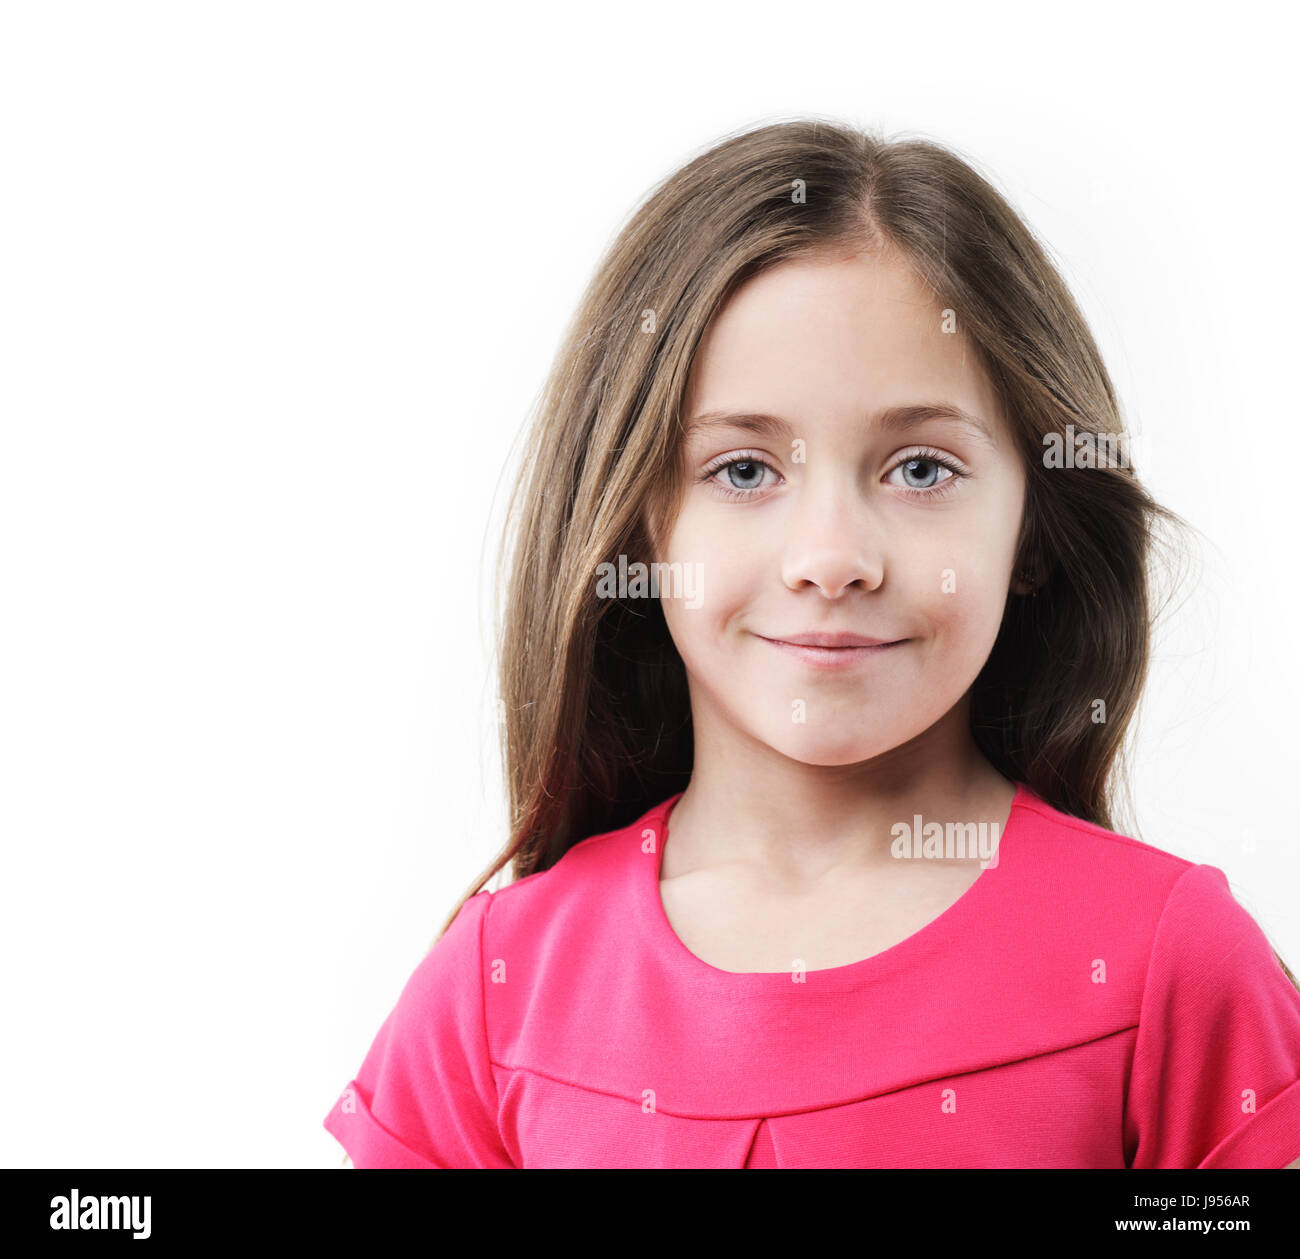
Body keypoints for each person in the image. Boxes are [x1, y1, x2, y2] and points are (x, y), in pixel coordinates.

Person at [322, 118, 1300, 1168]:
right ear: (641, 524)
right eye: (743, 470)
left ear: (1035, 525)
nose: (831, 558)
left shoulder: (1171, 971)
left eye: (920, 468)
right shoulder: (492, 994)